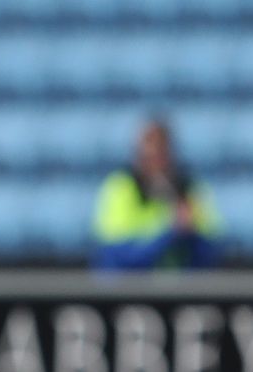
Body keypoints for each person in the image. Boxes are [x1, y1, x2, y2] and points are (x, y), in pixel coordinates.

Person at [91, 116, 222, 270]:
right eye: (149, 157)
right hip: (130, 284)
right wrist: (170, 234)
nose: (155, 164)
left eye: (161, 155)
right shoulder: (120, 187)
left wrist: (190, 233)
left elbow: (211, 251)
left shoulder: (192, 189)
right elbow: (118, 255)